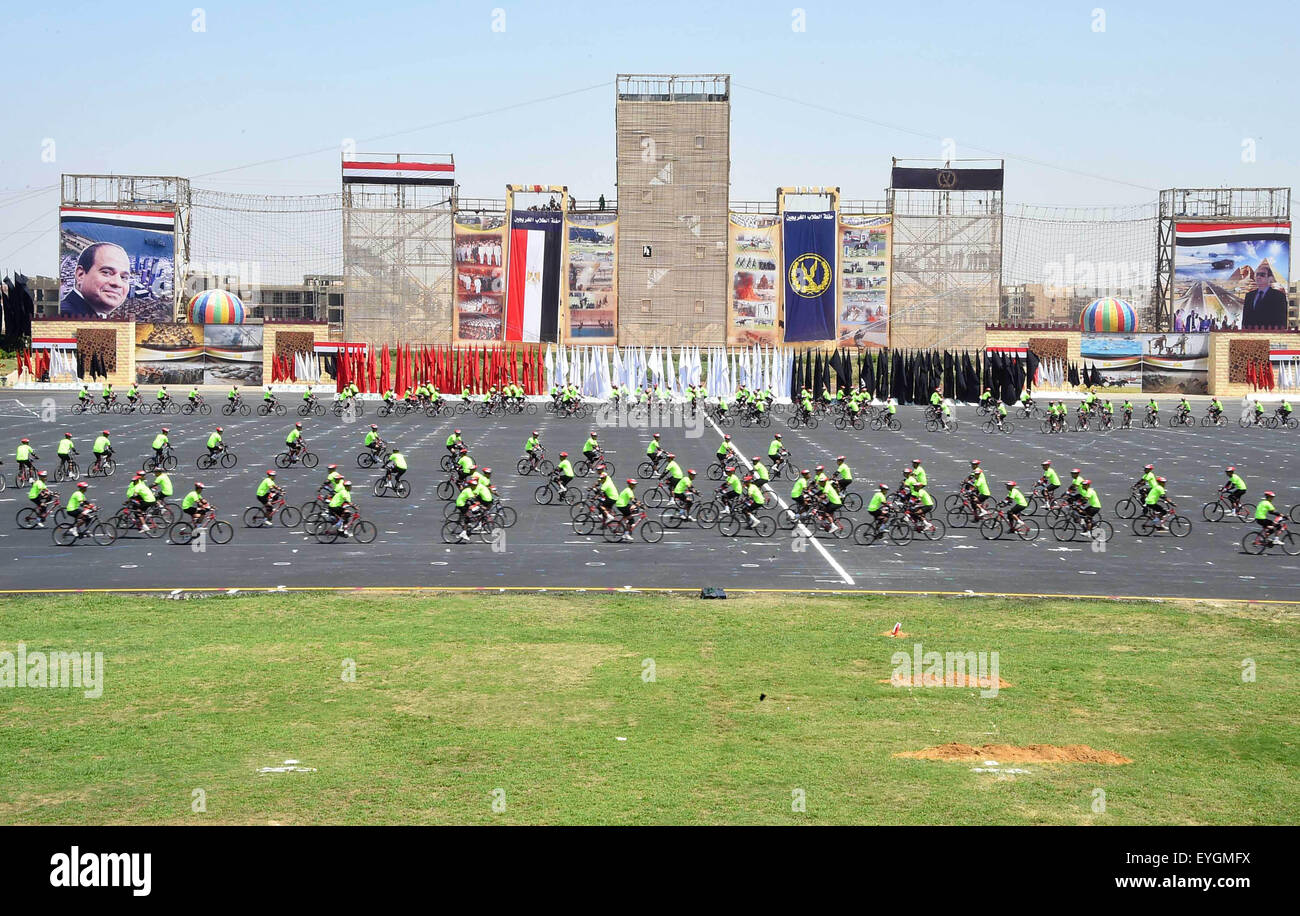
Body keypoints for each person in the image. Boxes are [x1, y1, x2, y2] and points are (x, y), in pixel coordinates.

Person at [60, 242, 130, 318]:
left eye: (123, 277)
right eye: (106, 272)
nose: (117, 283)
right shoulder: (64, 317)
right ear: (80, 275)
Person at [1242, 264, 1288, 329]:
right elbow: (1245, 319)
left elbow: (1282, 320)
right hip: (1251, 335)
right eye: (1257, 274)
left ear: (1270, 278)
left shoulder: (1279, 296)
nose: (1258, 277)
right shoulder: (1249, 296)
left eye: (1262, 275)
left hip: (1270, 334)